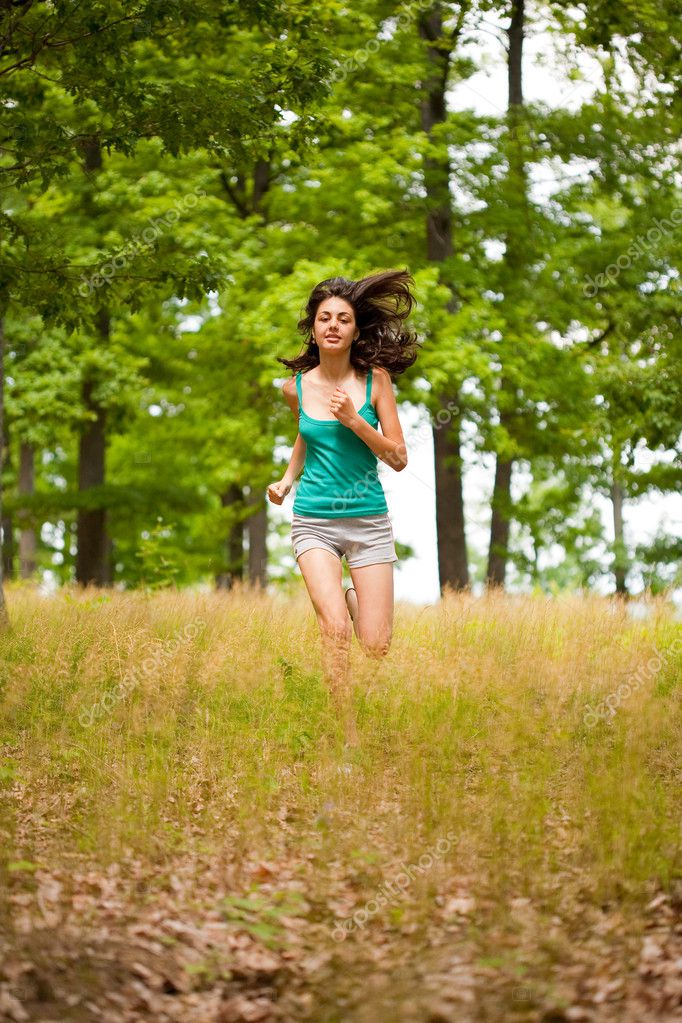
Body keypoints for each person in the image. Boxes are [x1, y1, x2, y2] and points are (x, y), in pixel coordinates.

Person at [266, 269, 421, 745]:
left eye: (344, 319)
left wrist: (355, 421)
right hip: (314, 522)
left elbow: (397, 458)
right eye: (324, 317)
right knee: (333, 628)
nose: (333, 325)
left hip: (369, 522)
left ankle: (357, 601)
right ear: (312, 327)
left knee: (375, 646)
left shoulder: (375, 382)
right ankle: (346, 732)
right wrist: (288, 478)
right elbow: (307, 436)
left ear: (356, 330)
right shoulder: (294, 387)